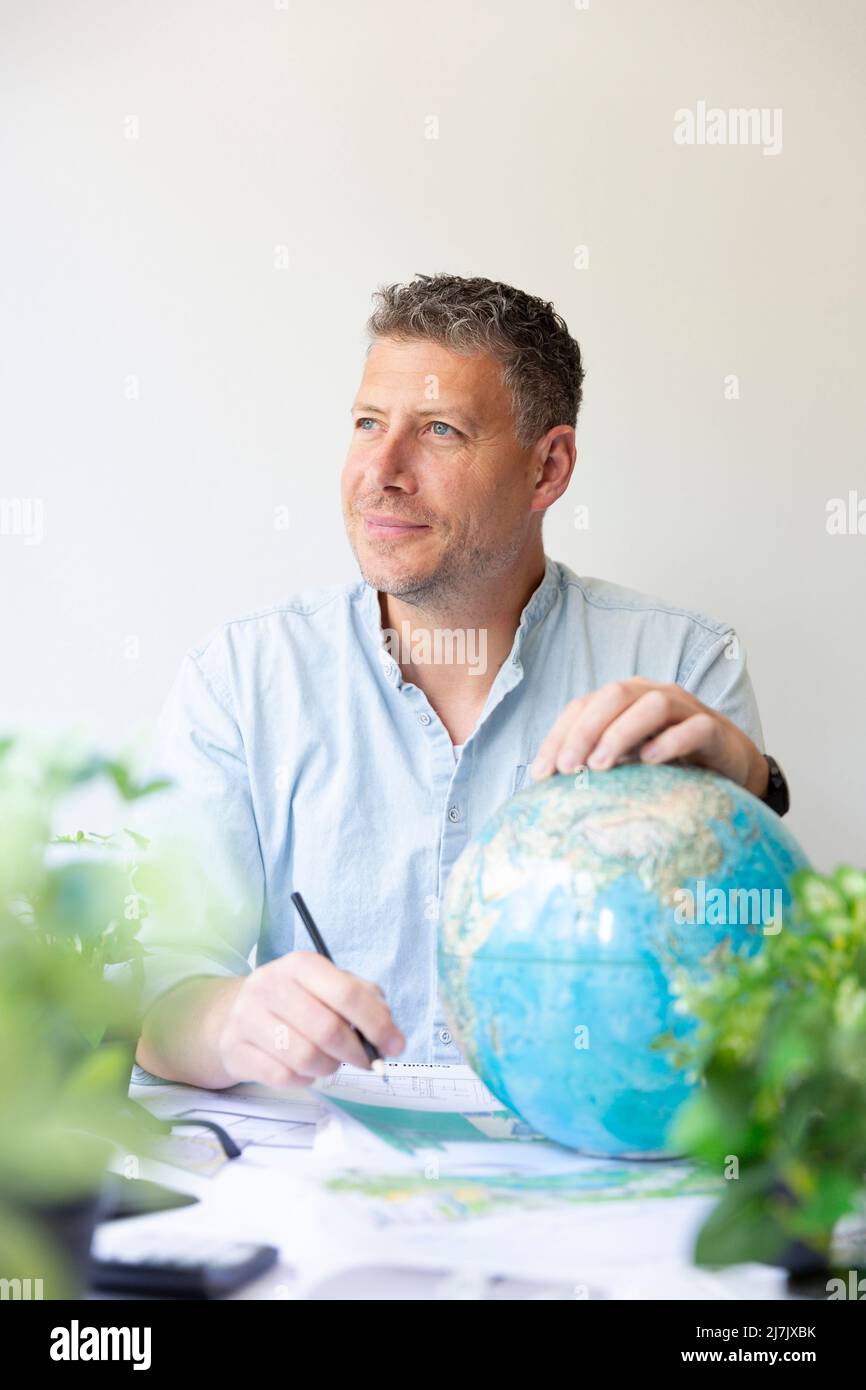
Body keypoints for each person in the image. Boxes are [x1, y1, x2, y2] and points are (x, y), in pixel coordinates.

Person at [134, 273, 788, 1091]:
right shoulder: (240, 679)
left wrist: (755, 787)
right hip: (330, 1190)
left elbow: (762, 993)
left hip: (596, 1180)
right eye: (368, 423)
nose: (381, 470)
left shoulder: (683, 665)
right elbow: (157, 990)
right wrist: (228, 1024)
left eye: (439, 431)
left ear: (548, 469)